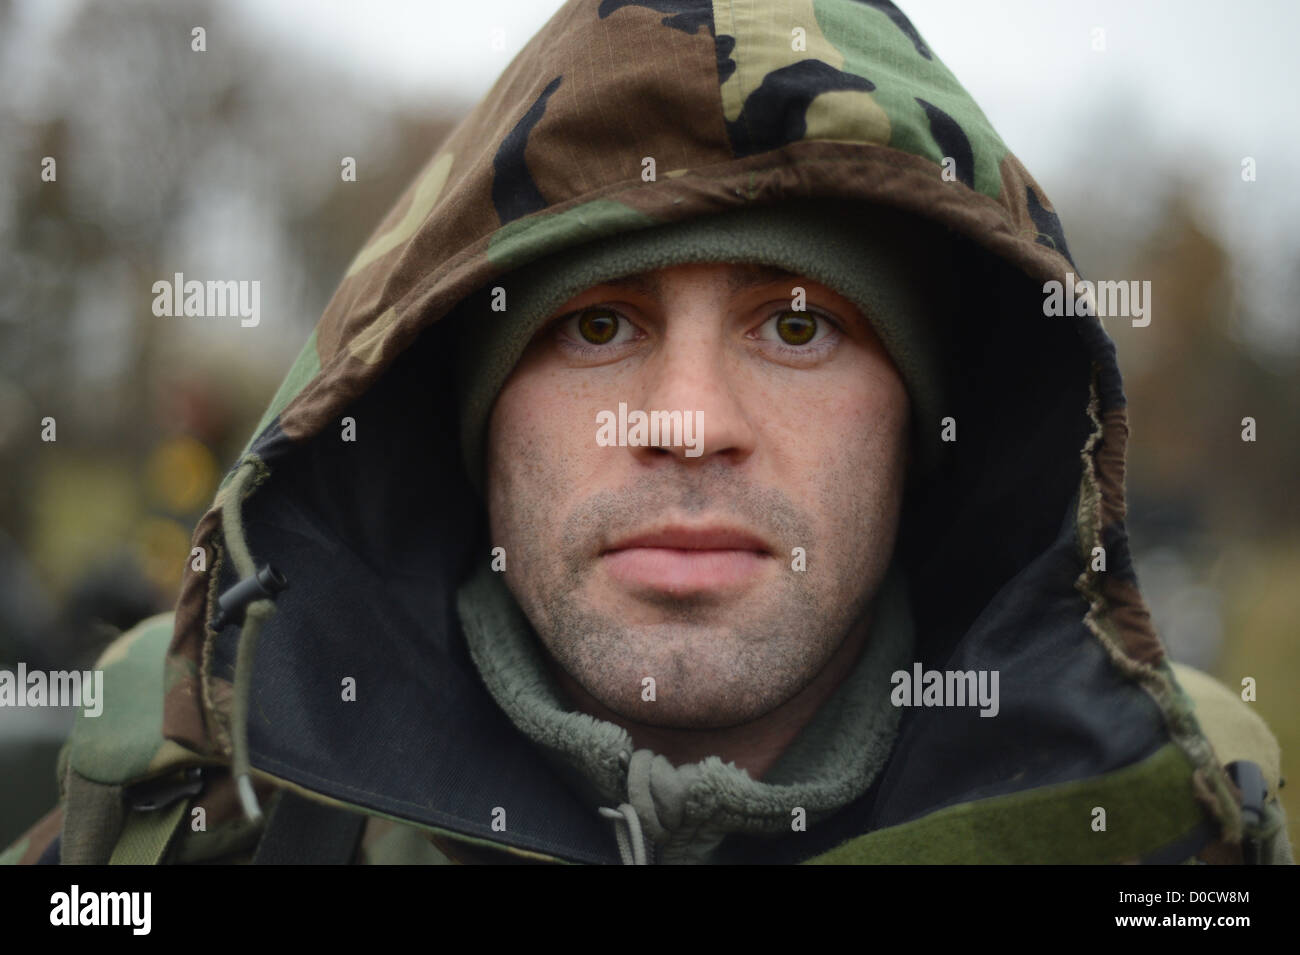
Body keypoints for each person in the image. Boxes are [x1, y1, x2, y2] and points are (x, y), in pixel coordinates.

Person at [3, 0, 1290, 866]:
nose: (685, 424)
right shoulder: (179, 807)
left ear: (922, 422)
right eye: (597, 327)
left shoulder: (1165, 823)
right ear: (468, 413)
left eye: (798, 327)